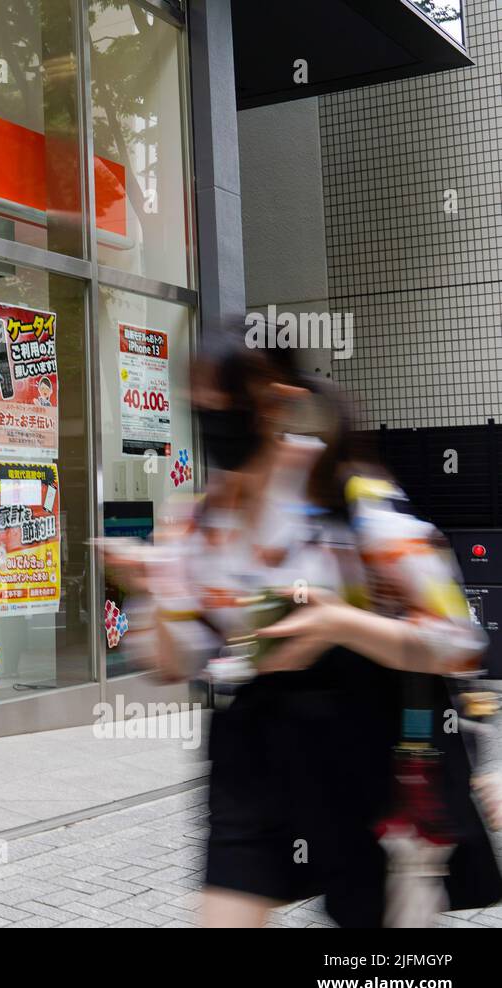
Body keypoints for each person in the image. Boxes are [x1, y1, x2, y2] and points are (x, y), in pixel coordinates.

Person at [105, 338, 501, 928]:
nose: (215, 417)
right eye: (202, 404)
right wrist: (150, 588)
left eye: (226, 400)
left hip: (361, 742)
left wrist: (339, 622)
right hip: (253, 740)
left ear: (275, 400)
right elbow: (174, 663)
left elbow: (457, 638)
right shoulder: (198, 521)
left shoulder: (349, 499)